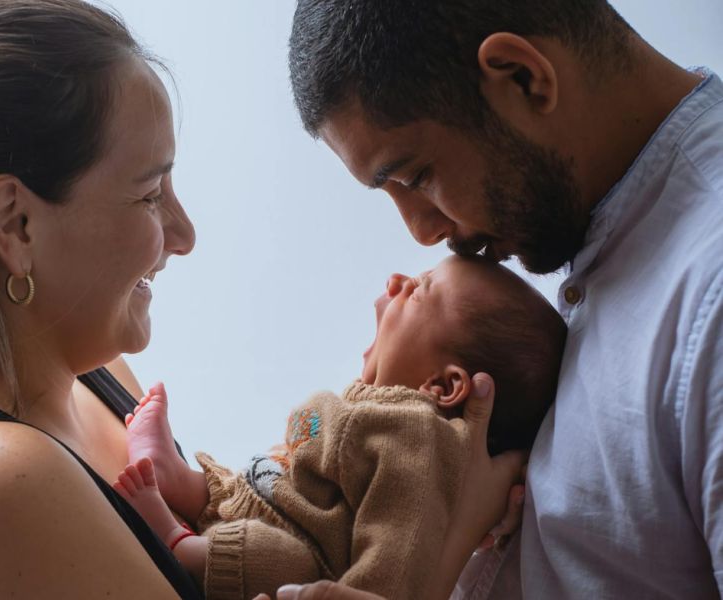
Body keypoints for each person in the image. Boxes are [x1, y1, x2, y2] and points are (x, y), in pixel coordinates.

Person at [0, 1, 522, 598]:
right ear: (16, 223)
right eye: (150, 194)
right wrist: (453, 529)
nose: (184, 235)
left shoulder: (99, 381)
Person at [287, 0, 723, 598]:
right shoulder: (587, 248)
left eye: (416, 177)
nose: (422, 232)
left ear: (523, 76)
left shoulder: (709, 299)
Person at [114, 255, 565, 600]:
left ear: (444, 385)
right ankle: (184, 482)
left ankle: (178, 543)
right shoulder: (371, 406)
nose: (396, 282)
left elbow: (399, 553)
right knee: (254, 480)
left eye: (419, 290)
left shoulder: (419, 438)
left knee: (281, 559)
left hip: (294, 556)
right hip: (271, 500)